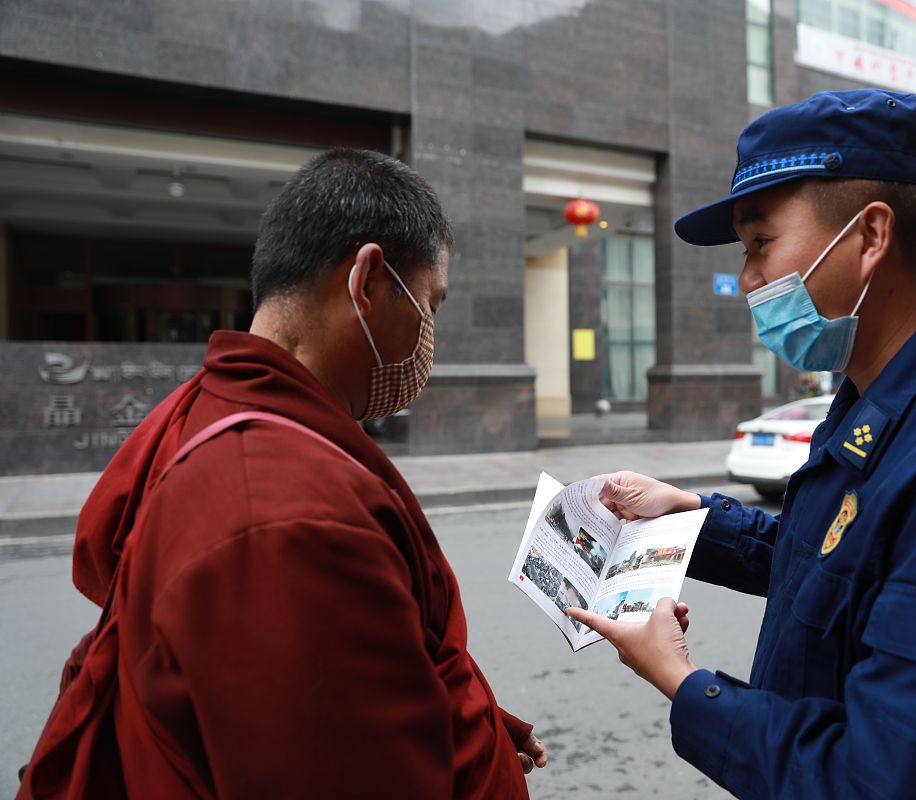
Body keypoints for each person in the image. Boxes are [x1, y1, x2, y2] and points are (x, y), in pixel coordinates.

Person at [567, 89, 916, 799]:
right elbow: (830, 564)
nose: (747, 280)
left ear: (869, 237)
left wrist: (681, 682)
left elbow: (879, 781)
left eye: (760, 244)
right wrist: (684, 518)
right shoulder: (875, 394)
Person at [18, 149, 546, 799]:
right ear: (368, 281)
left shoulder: (213, 413)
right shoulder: (288, 518)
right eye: (430, 302)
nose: (429, 330)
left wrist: (473, 723)